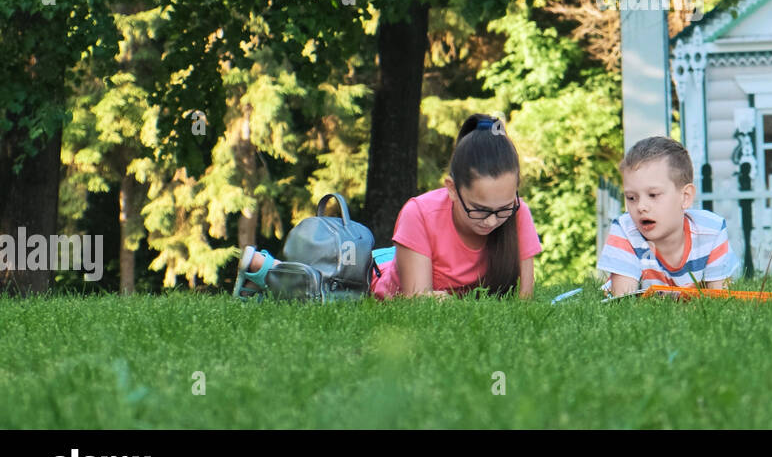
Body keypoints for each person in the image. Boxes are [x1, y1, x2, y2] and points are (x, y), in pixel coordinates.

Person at [234, 113, 542, 299]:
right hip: (379, 284)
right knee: (321, 289)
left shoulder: (517, 214)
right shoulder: (420, 212)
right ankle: (263, 268)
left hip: (406, 257)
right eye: (479, 209)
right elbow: (417, 303)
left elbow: (522, 303)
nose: (491, 222)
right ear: (451, 189)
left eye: (503, 209)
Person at [598, 136, 739, 295]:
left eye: (653, 195)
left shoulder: (711, 231)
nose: (641, 207)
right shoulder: (625, 230)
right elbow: (623, 300)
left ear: (685, 197)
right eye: (631, 198)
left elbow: (720, 299)